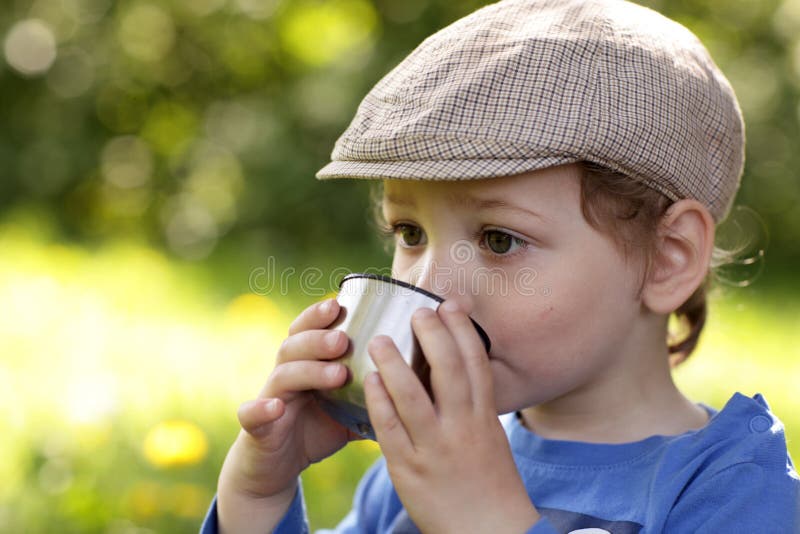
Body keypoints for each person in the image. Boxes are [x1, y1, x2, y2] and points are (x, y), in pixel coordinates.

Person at [202, 0, 800, 532]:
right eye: (410, 233)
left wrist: (487, 520)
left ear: (669, 259)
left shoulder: (735, 495)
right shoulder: (423, 460)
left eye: (499, 240)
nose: (429, 286)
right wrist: (258, 497)